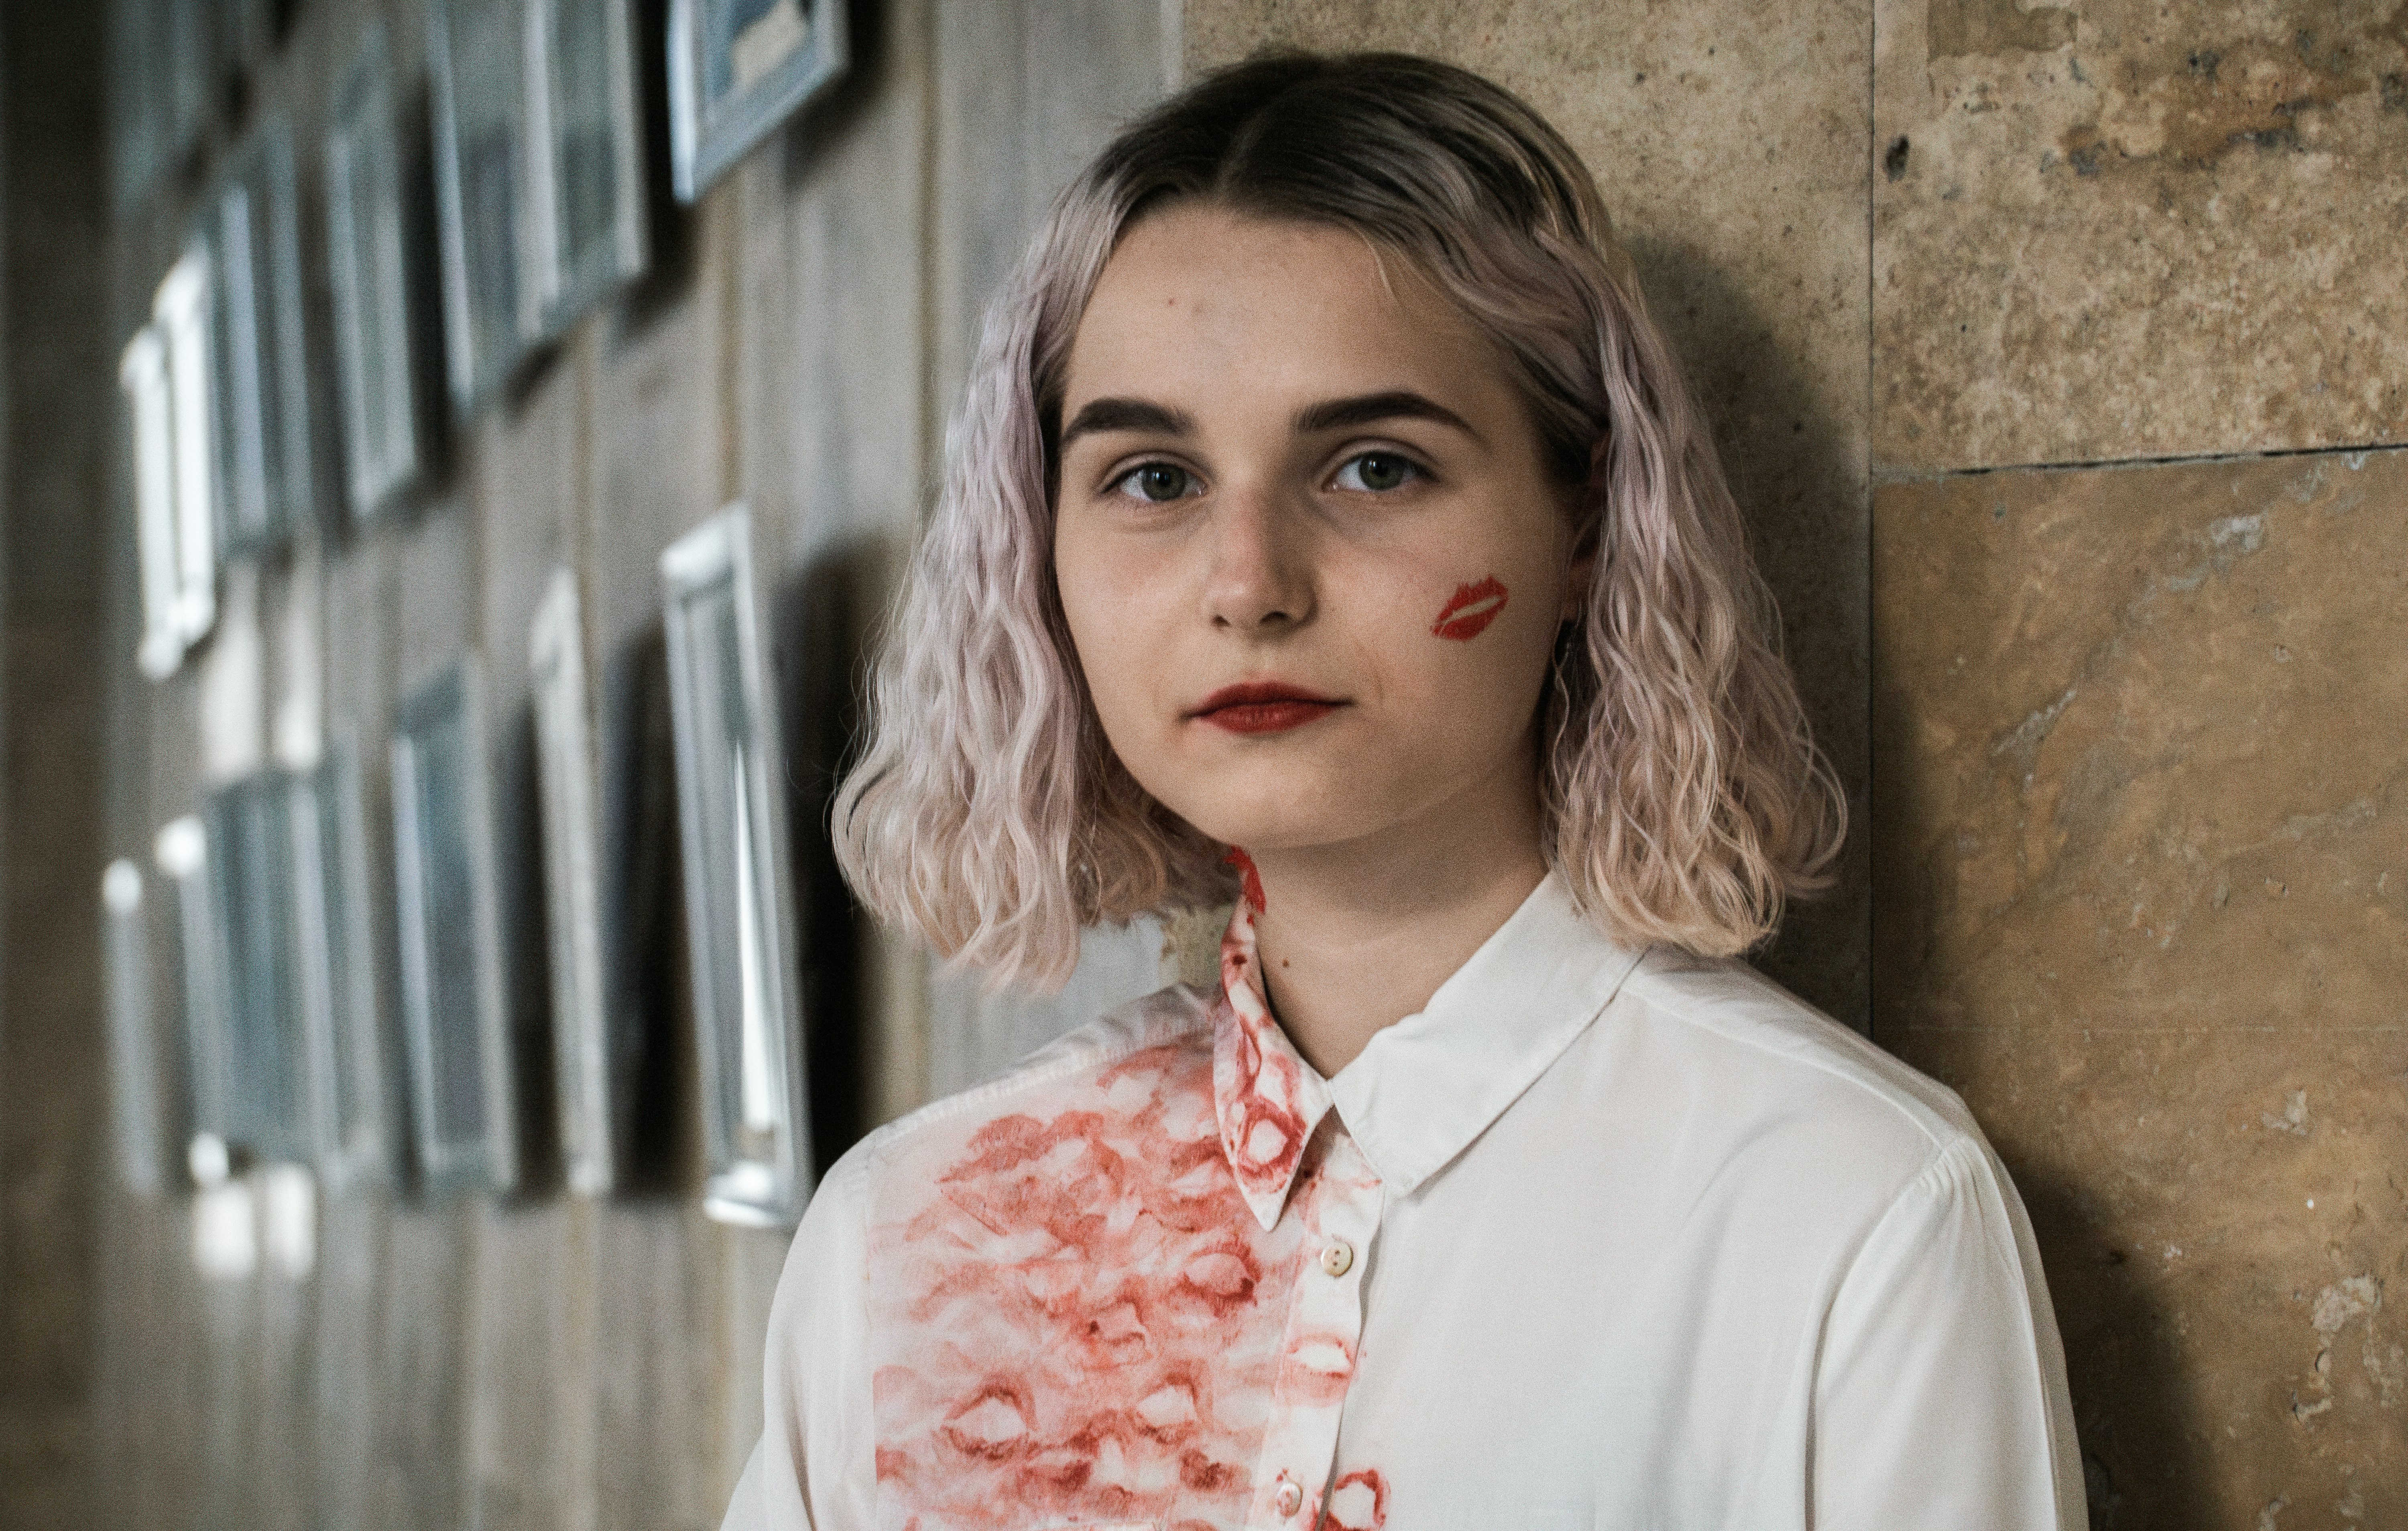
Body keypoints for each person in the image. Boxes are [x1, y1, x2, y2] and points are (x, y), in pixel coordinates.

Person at [722, 51, 2082, 1531]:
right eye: (1154, 480)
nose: (1248, 585)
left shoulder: (1847, 1214)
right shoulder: (912, 1240)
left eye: (1373, 467)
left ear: (1586, 523)